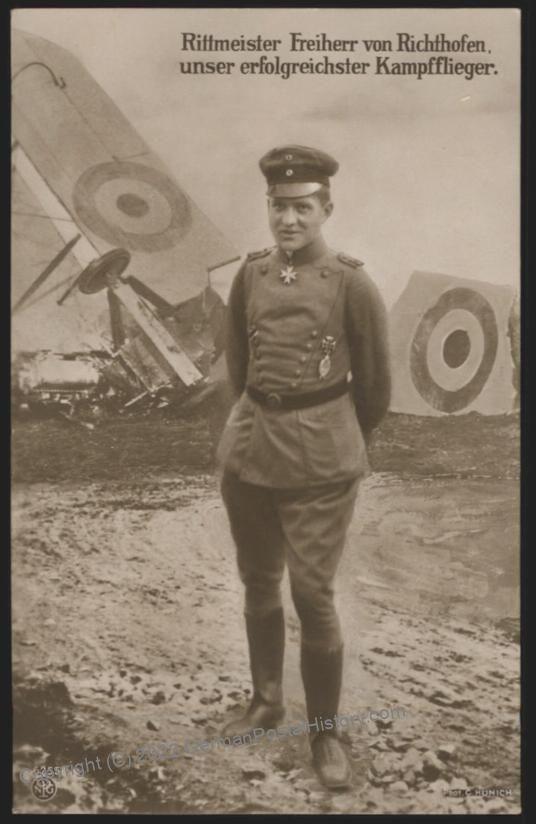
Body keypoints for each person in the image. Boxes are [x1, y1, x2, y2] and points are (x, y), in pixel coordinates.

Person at [216, 144, 391, 790]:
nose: (288, 219)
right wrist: (256, 421)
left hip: (321, 458)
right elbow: (239, 364)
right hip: (250, 450)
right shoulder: (251, 274)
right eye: (278, 206)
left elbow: (375, 387)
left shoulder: (351, 282)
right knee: (258, 579)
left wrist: (334, 435)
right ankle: (266, 702)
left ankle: (324, 733)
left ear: (326, 210)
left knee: (311, 594)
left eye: (302, 208)